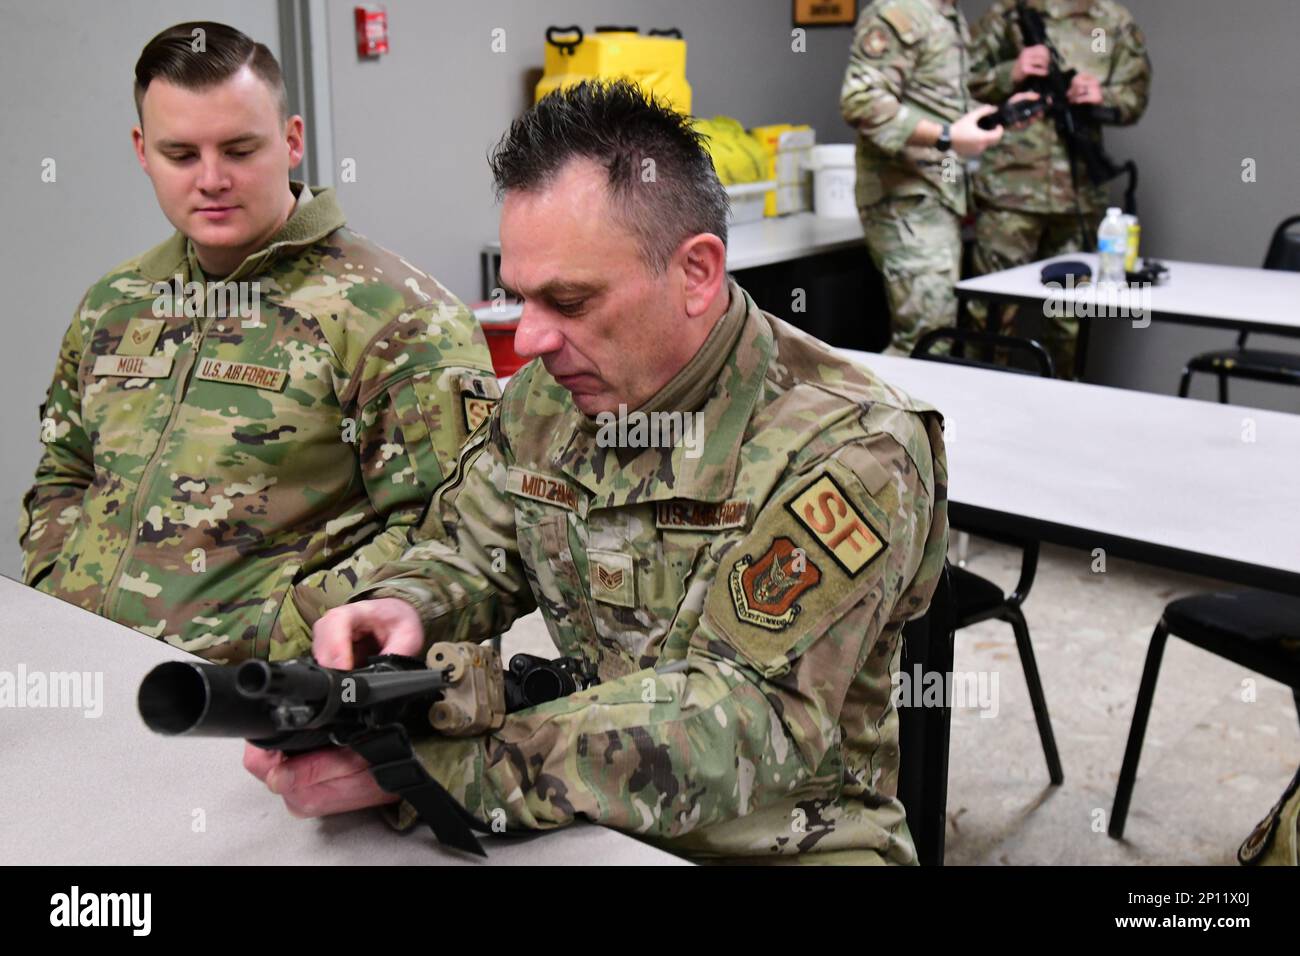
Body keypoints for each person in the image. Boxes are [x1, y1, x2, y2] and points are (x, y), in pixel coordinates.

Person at [245, 80, 949, 865]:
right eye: (519, 298)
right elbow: (473, 550)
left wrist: (429, 774)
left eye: (570, 300)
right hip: (586, 813)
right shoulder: (553, 396)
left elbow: (743, 721)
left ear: (696, 273)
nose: (534, 338)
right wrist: (405, 608)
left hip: (787, 842)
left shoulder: (853, 446)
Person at [18, 22, 497, 663]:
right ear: (141, 150)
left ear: (292, 140)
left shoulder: (392, 311)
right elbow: (65, 469)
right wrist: (58, 596)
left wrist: (281, 635)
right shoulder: (116, 301)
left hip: (267, 705)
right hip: (94, 674)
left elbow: (455, 530)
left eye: (239, 150)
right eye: (180, 155)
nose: (211, 178)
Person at [967, 0, 1151, 377]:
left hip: (1078, 196)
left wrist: (1103, 97)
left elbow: (1135, 96)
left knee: (1070, 316)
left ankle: (1062, 410)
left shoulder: (1112, 21)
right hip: (1010, 192)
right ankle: (978, 411)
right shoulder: (1009, 13)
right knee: (990, 314)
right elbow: (961, 81)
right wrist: (1010, 72)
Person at [840, 0, 1007, 356]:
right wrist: (946, 136)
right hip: (905, 196)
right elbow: (860, 101)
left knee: (936, 337)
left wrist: (993, 115)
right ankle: (875, 414)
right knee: (926, 342)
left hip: (936, 195)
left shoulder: (947, 15)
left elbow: (937, 101)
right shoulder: (901, 12)